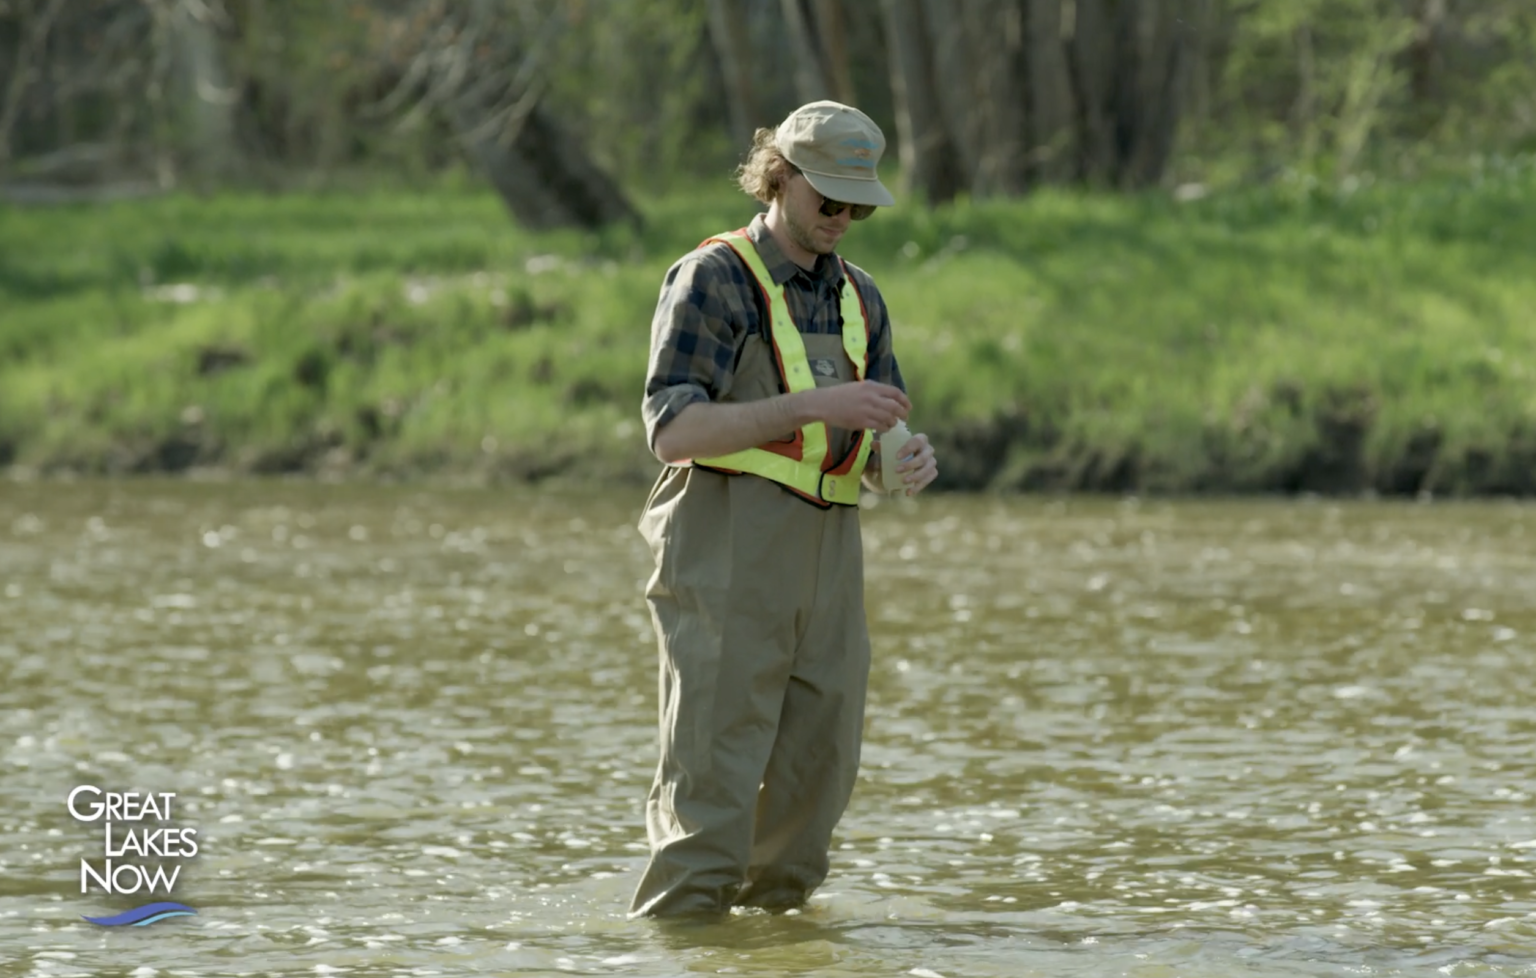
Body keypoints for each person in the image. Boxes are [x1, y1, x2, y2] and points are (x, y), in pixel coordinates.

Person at [631, 100, 939, 918]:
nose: (843, 218)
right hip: (724, 547)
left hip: (830, 562)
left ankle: (774, 958)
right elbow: (672, 431)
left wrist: (898, 461)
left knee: (814, 797)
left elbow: (873, 443)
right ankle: (681, 951)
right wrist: (814, 408)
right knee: (712, 803)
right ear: (779, 177)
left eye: (858, 205)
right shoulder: (712, 278)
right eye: (828, 200)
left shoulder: (862, 298)